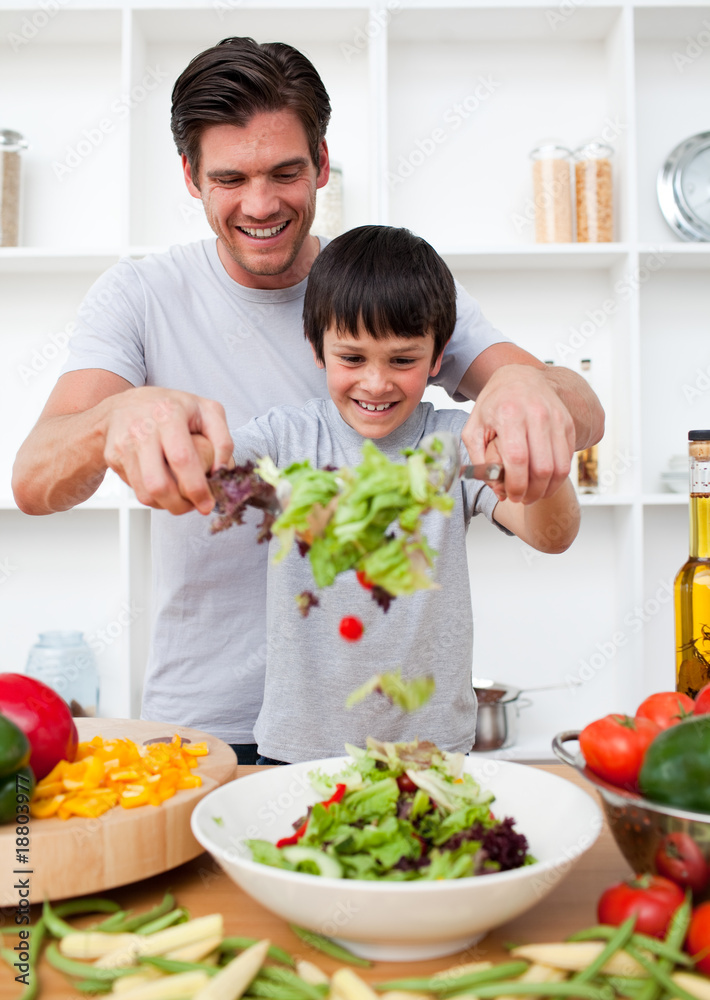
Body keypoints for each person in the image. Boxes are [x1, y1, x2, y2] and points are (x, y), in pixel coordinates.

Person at [11, 38, 602, 763]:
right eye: (230, 178)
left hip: (396, 736)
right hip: (204, 723)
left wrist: (524, 383)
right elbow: (35, 481)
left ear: (322, 163)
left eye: (285, 172)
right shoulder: (139, 296)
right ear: (192, 178)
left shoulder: (378, 288)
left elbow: (583, 417)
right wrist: (112, 421)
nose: (261, 205)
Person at [225, 224, 580, 763]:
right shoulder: (283, 438)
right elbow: (212, 471)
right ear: (317, 348)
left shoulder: (456, 443)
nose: (375, 383)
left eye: (403, 360)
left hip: (431, 750)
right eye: (352, 358)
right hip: (299, 750)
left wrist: (542, 471)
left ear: (438, 359)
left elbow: (553, 536)